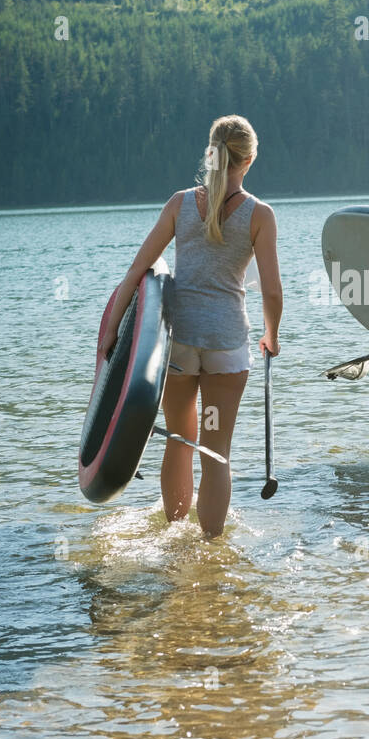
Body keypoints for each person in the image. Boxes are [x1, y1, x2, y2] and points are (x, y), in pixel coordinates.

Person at [99, 115, 282, 537]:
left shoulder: (180, 204)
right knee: (215, 450)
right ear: (249, 159)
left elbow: (137, 271)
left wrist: (111, 331)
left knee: (180, 440)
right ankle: (211, 548)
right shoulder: (260, 215)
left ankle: (175, 539)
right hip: (226, 347)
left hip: (179, 346)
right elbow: (272, 293)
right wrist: (272, 334)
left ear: (211, 153)